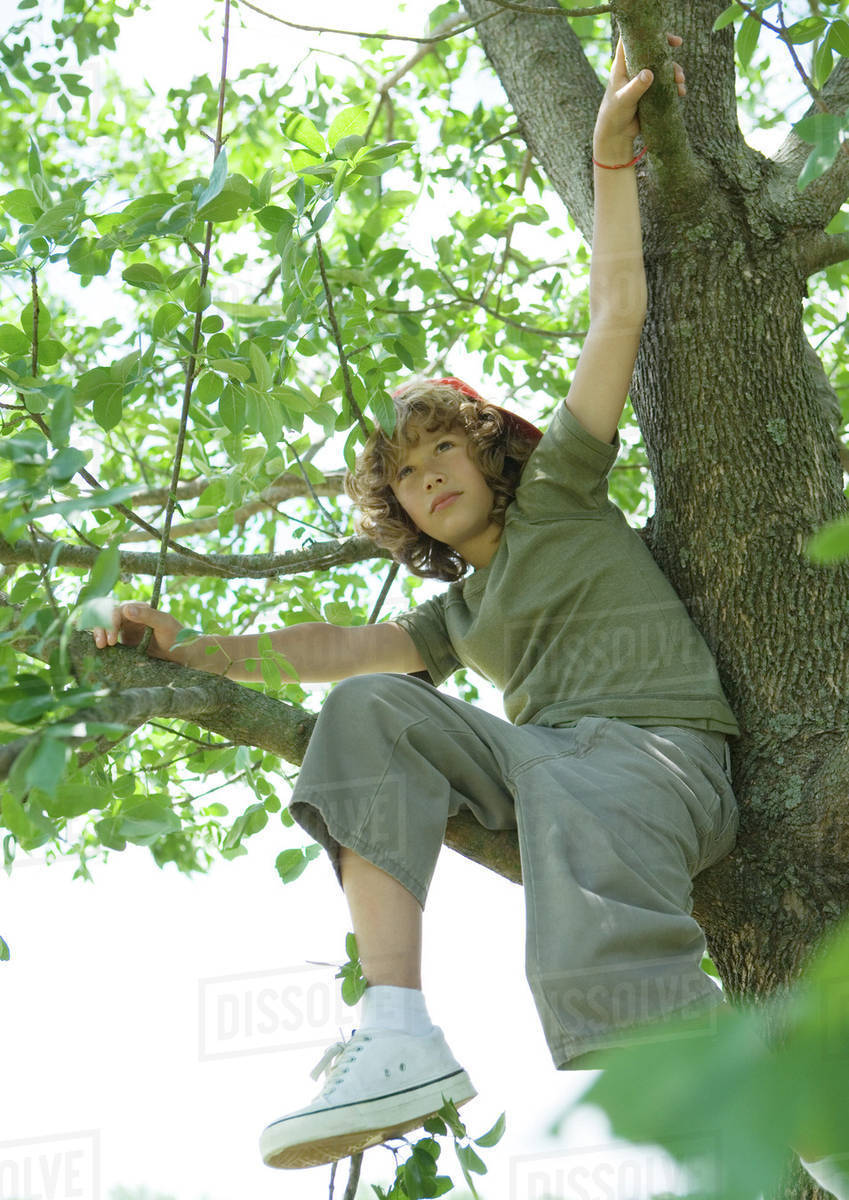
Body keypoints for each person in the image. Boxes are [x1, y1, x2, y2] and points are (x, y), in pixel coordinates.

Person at [96, 31, 849, 1188]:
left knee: (586, 961)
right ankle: (397, 1033)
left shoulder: (558, 494)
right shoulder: (461, 615)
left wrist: (610, 167)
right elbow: (341, 646)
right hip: (546, 760)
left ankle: (809, 1120)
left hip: (653, 758)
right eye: (403, 474)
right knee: (369, 711)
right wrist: (187, 646)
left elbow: (615, 316)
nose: (427, 478)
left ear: (489, 453)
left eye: (443, 448)